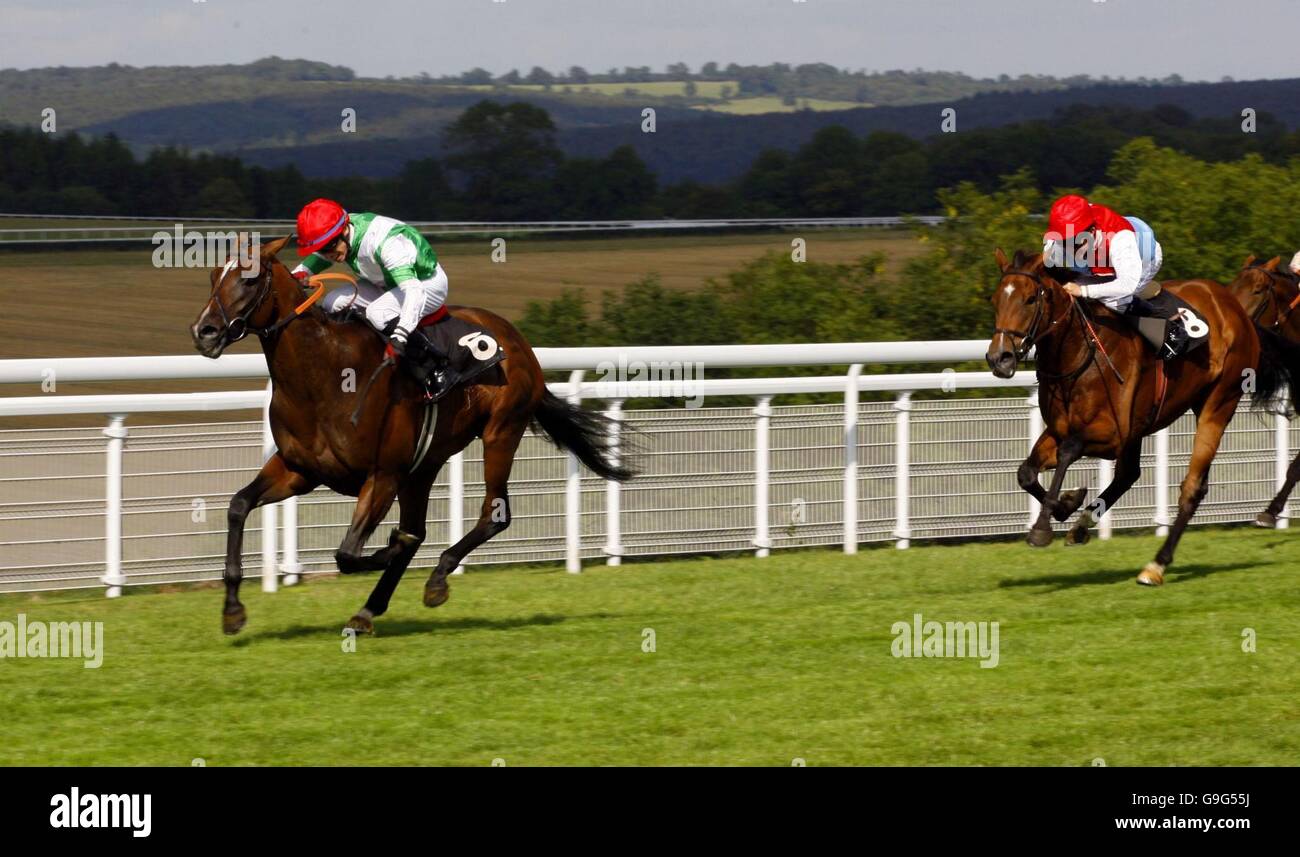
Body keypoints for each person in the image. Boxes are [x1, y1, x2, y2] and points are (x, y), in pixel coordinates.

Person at [291, 198, 448, 376]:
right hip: (385, 284)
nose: (329, 255)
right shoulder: (341, 233)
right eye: (321, 250)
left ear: (343, 230)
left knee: (377, 313)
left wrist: (400, 336)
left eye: (329, 247)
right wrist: (298, 274)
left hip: (425, 284)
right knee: (332, 303)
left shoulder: (383, 243)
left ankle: (432, 363)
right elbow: (321, 256)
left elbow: (414, 292)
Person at [1042, 194, 1190, 360]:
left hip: (1142, 260)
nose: (1069, 248)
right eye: (1064, 242)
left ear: (1091, 231)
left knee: (1111, 299)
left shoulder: (1120, 239)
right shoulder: (1068, 228)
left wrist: (1083, 290)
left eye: (1074, 243)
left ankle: (1172, 326)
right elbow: (1048, 255)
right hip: (1101, 258)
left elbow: (1127, 285)